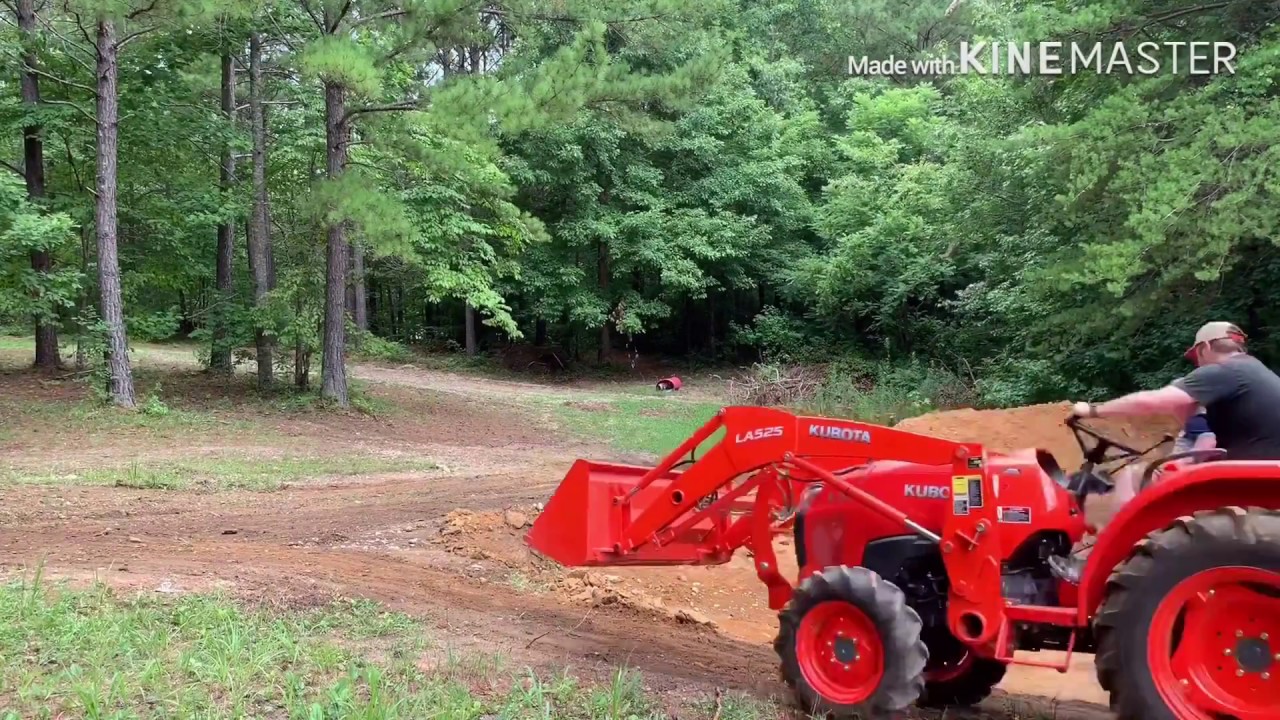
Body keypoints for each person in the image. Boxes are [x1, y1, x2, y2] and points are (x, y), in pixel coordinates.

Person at [1049, 321, 1280, 583]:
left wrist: (1091, 411)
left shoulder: (1225, 371)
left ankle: (1092, 560)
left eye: (1196, 358)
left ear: (1204, 348)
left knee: (1133, 476)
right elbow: (1211, 439)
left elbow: (1156, 401)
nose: (1197, 365)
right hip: (1258, 472)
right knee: (1161, 472)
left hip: (1244, 477)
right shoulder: (1256, 373)